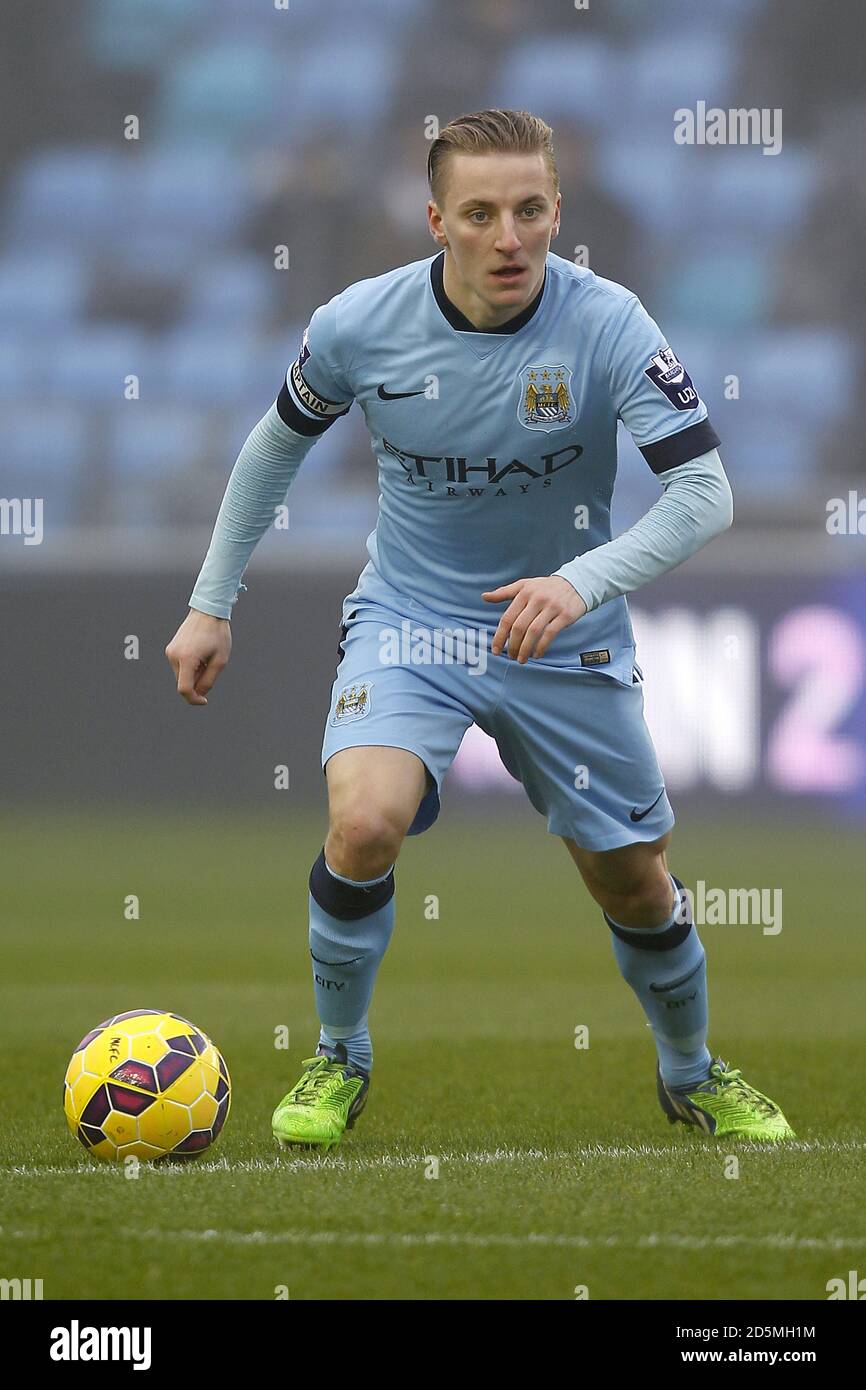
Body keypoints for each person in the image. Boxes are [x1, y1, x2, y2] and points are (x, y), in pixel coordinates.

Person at [165, 109, 794, 1149]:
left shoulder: (608, 324)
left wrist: (579, 581)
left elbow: (701, 490)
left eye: (531, 209)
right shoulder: (357, 326)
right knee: (362, 824)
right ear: (435, 221)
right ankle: (337, 1058)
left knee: (634, 878)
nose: (510, 236)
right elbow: (272, 450)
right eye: (481, 213)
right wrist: (209, 601)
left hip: (565, 634)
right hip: (411, 619)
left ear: (556, 210)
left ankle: (690, 1073)